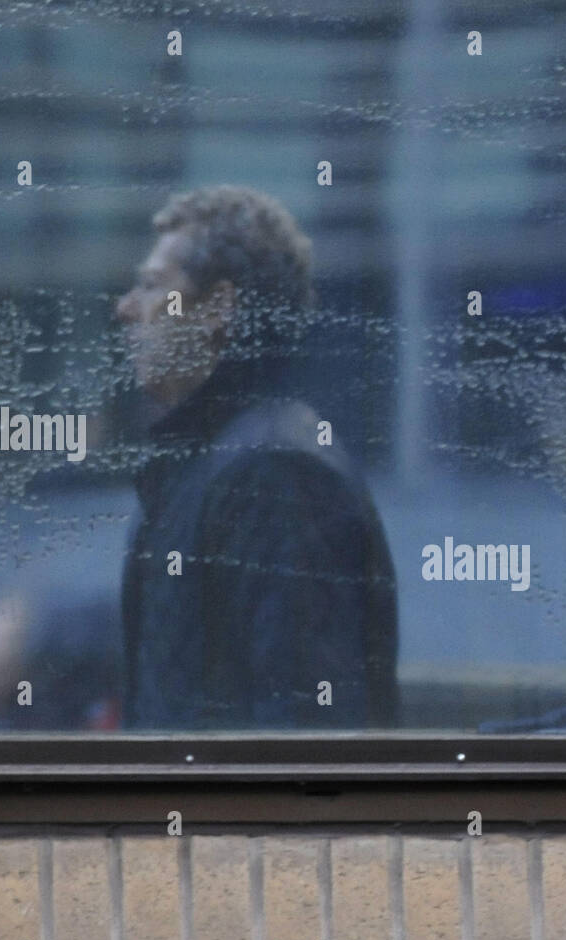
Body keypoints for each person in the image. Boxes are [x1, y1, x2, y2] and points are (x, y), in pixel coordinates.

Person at [115, 186, 398, 730]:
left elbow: (306, 737)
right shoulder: (213, 460)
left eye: (152, 286)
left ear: (217, 308)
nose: (126, 308)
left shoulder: (273, 473)